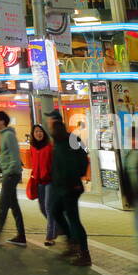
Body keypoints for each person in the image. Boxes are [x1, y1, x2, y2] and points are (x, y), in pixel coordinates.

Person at [46, 109, 89, 264]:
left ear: (55, 122)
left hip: (70, 187)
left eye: (49, 120)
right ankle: (72, 243)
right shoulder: (58, 140)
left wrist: (74, 179)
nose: (48, 123)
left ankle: (84, 254)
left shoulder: (70, 139)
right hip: (61, 187)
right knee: (55, 211)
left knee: (74, 219)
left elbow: (83, 161)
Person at [0, 111, 26, 245]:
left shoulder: (8, 135)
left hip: (11, 175)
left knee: (3, 203)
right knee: (13, 205)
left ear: (2, 121)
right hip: (10, 174)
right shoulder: (4, 135)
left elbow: (15, 156)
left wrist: (9, 172)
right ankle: (21, 236)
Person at [27, 123, 56, 245]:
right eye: (36, 132)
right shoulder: (32, 148)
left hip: (50, 181)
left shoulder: (49, 147)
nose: (39, 133)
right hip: (39, 182)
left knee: (49, 208)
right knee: (42, 208)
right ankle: (57, 227)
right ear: (33, 135)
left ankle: (49, 237)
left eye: (40, 131)